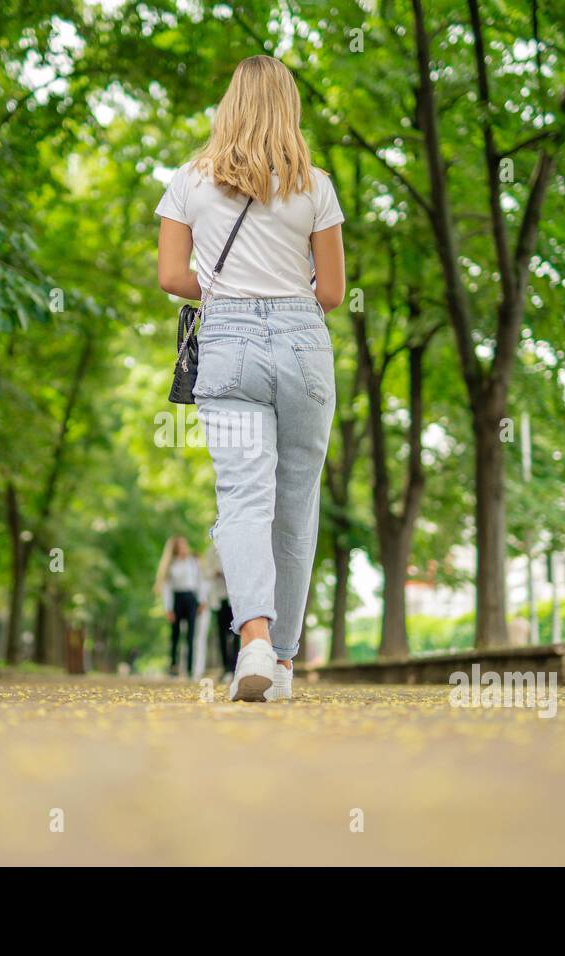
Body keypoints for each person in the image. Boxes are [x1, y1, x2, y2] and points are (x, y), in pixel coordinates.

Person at [156, 56, 345, 702]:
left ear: (229, 105)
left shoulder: (187, 182)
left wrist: (226, 289)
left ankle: (255, 640)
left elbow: (172, 276)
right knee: (296, 508)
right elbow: (335, 292)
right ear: (288, 108)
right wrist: (284, 291)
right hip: (302, 345)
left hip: (228, 344)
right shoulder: (315, 186)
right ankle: (284, 666)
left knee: (242, 498)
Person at [155, 536, 206, 677]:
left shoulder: (194, 562)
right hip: (177, 599)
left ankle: (190, 669)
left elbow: (200, 581)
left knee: (190, 636)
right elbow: (167, 588)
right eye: (181, 545)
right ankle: (173, 667)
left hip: (191, 599)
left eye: (185, 544)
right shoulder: (171, 565)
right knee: (175, 635)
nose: (184, 547)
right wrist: (168, 608)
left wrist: (202, 600)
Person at [201, 539, 237, 681]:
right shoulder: (211, 551)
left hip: (234, 598)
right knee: (222, 635)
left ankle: (234, 666)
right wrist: (214, 573)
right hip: (219, 598)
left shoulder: (235, 546)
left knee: (236, 633)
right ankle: (225, 667)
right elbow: (206, 572)